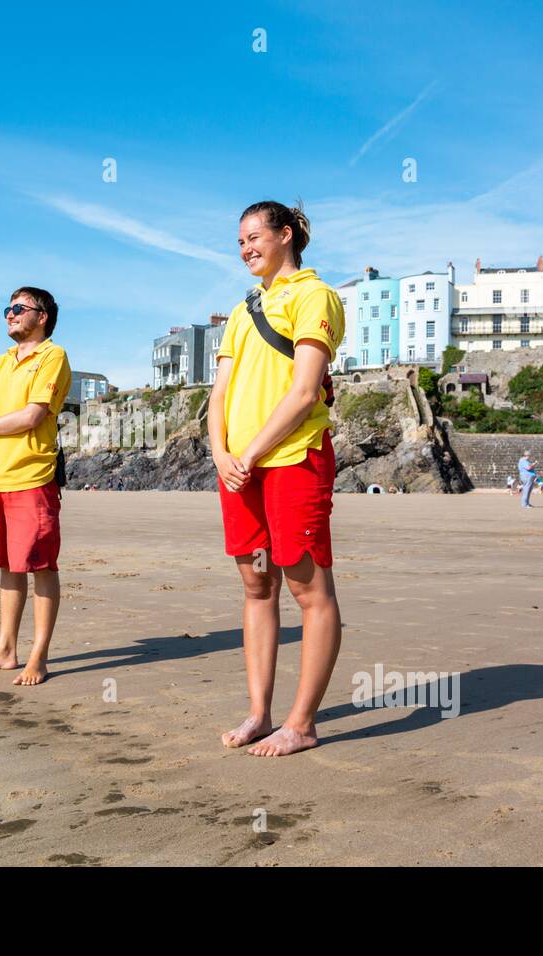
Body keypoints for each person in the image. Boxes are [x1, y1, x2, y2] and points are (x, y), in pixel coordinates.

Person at [209, 200, 345, 757]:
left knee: (308, 589)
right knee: (256, 585)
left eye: (254, 236)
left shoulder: (316, 295)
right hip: (239, 470)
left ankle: (302, 723)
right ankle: (260, 713)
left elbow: (305, 391)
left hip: (293, 460)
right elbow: (218, 393)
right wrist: (220, 452)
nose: (245, 248)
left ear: (285, 235)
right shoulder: (242, 311)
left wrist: (253, 451)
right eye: (239, 241)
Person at [0, 286, 72, 687]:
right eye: (7, 308)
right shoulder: (1, 363)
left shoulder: (53, 357)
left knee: (40, 565)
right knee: (7, 565)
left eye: (18, 308)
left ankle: (38, 656)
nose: (9, 314)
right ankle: (6, 648)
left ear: (41, 316)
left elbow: (31, 416)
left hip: (33, 477)